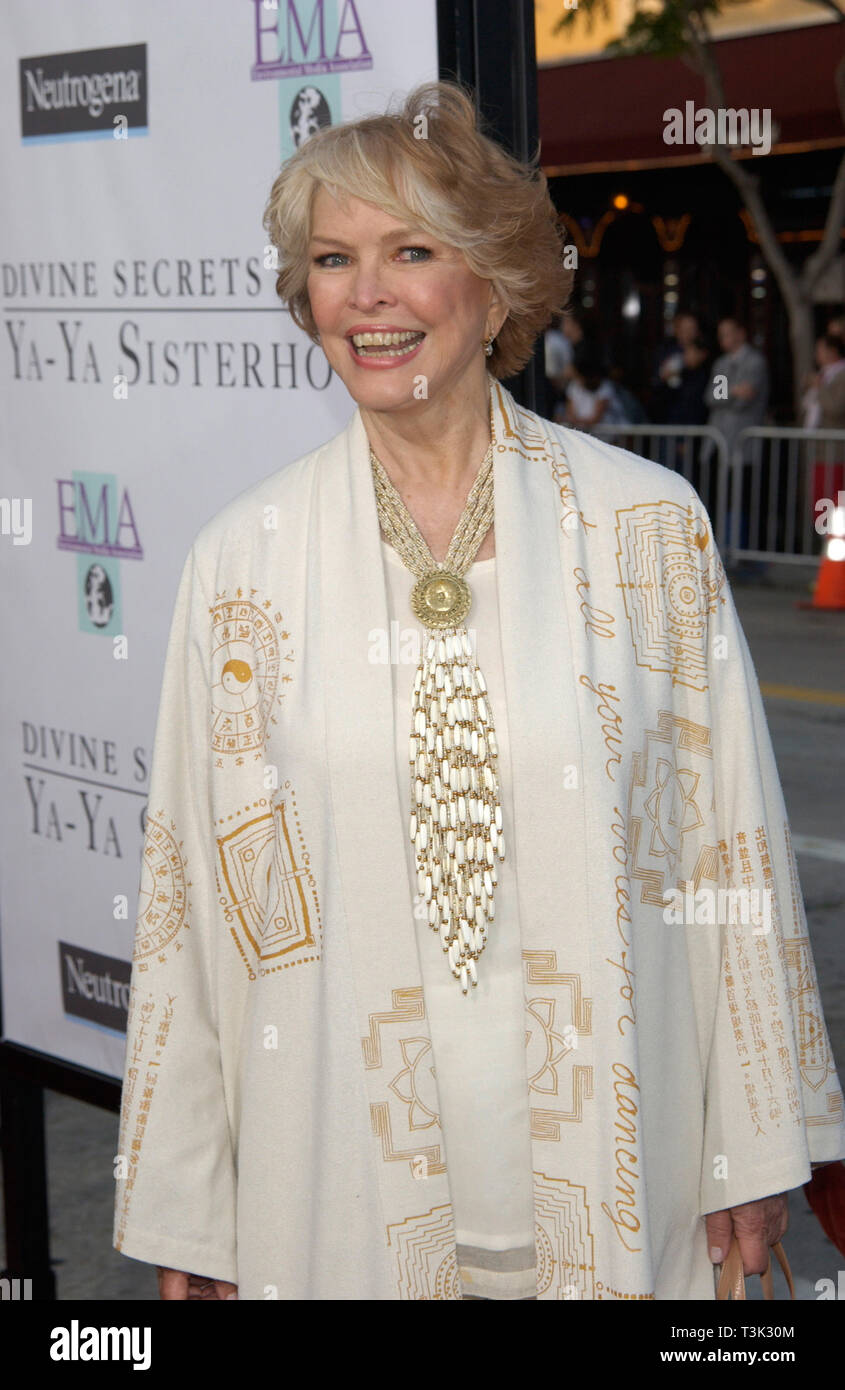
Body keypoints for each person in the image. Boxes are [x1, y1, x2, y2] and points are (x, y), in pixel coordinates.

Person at [113, 81, 845, 1302]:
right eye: (333, 259)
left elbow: (730, 853)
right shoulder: (241, 562)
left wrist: (750, 1146)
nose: (367, 294)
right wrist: (194, 1210)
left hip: (628, 1175)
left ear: (495, 280)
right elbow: (193, 905)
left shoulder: (641, 530)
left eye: (411, 250)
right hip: (333, 1189)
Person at [704, 316, 769, 457]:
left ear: (741, 333)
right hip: (718, 436)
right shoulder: (721, 364)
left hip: (742, 437)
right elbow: (712, 398)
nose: (723, 338)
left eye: (728, 333)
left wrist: (725, 393)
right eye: (721, 334)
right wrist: (734, 390)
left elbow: (743, 402)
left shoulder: (755, 361)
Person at [563, 341, 629, 428]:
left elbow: (594, 419)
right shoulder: (574, 386)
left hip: (608, 438)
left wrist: (575, 421)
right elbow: (570, 414)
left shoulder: (606, 388)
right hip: (583, 435)